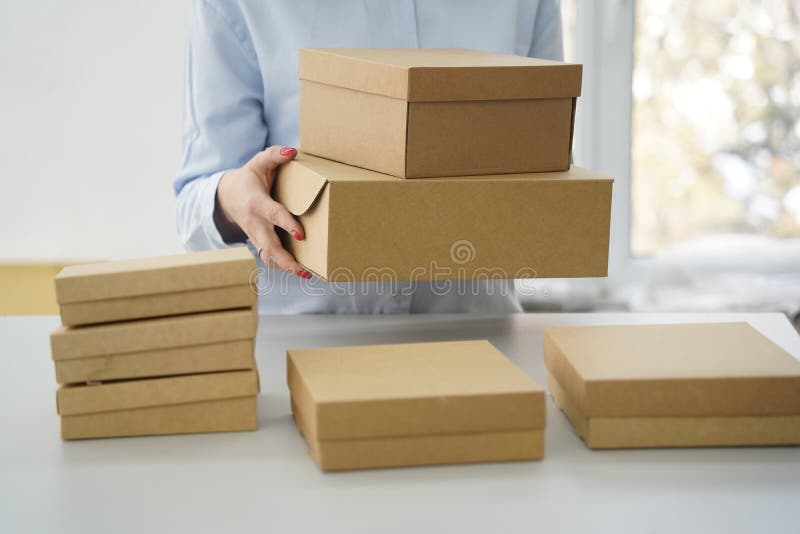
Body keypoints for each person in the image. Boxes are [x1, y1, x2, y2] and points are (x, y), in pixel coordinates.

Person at [174, 0, 564, 314]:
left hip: (478, 335)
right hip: (302, 341)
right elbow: (193, 204)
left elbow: (551, 166)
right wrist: (234, 198)